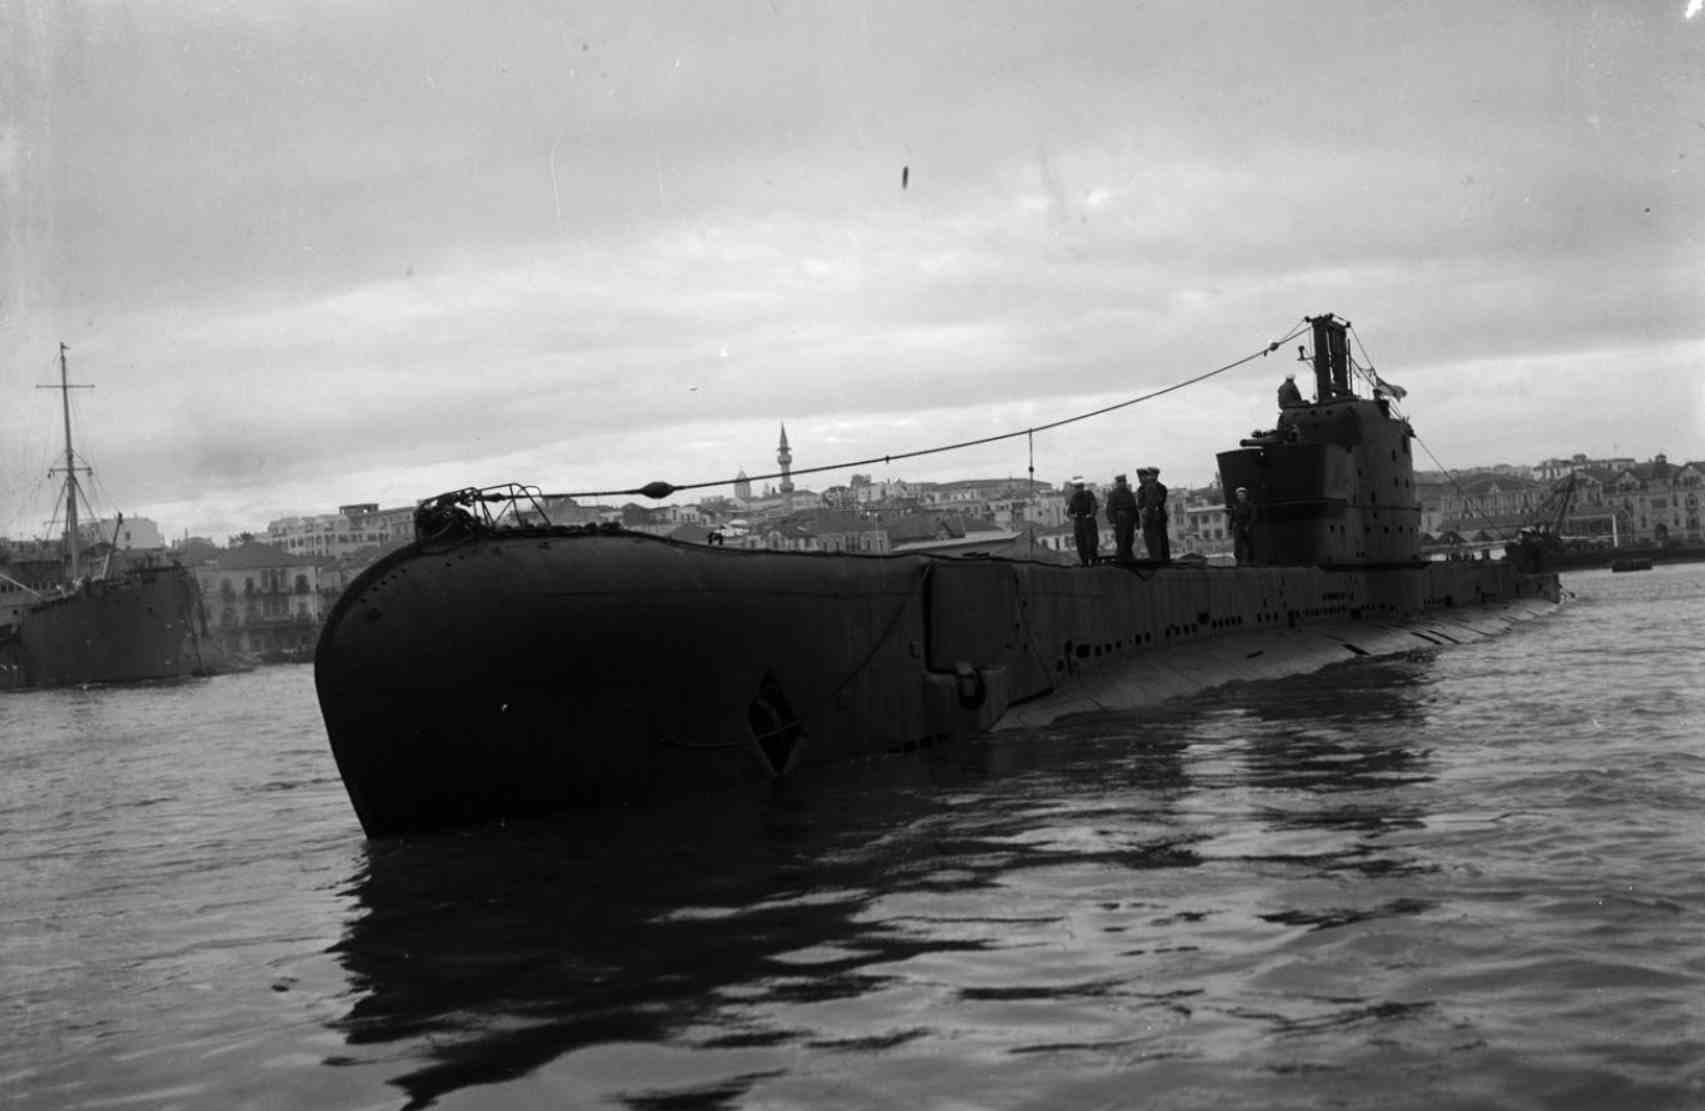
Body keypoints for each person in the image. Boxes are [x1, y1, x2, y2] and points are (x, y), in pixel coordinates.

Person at [1138, 467, 1171, 562]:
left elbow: (1159, 501)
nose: (1152, 476)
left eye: (1154, 474)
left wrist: (1148, 508)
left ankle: (1163, 559)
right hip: (1149, 516)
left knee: (1161, 540)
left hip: (1158, 515)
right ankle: (1157, 559)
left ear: (1157, 475)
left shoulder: (1161, 487)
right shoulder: (1142, 488)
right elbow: (1140, 503)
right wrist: (1143, 508)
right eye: (1150, 474)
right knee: (1152, 541)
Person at [1105, 473, 1138, 563]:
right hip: (1120, 520)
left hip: (1130, 519)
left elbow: (1134, 507)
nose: (1122, 484)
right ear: (1117, 483)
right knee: (1121, 540)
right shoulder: (1113, 494)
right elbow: (1109, 509)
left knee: (1129, 539)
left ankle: (1129, 557)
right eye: (1120, 482)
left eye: (1124, 481)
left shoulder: (1129, 494)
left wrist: (1137, 521)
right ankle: (1121, 558)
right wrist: (1112, 521)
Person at [1066, 477, 1099, 566]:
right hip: (1079, 524)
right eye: (1076, 488)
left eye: (1079, 487)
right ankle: (1084, 562)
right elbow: (1069, 512)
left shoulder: (1089, 494)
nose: (1078, 489)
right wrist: (1074, 516)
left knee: (1091, 544)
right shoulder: (1074, 498)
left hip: (1088, 523)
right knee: (1081, 545)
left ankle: (1094, 561)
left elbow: (1094, 505)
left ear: (1082, 487)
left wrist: (1091, 514)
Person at [1229, 486, 1256, 565]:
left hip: (1247, 526)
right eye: (1239, 495)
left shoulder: (1250, 505)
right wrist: (1230, 528)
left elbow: (1254, 517)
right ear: (1237, 496)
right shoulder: (1235, 506)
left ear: (1245, 496)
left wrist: (1249, 525)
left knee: (1250, 544)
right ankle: (1239, 561)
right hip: (1238, 527)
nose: (1240, 496)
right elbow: (1232, 517)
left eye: (1242, 495)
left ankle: (1251, 561)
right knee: (1237, 545)